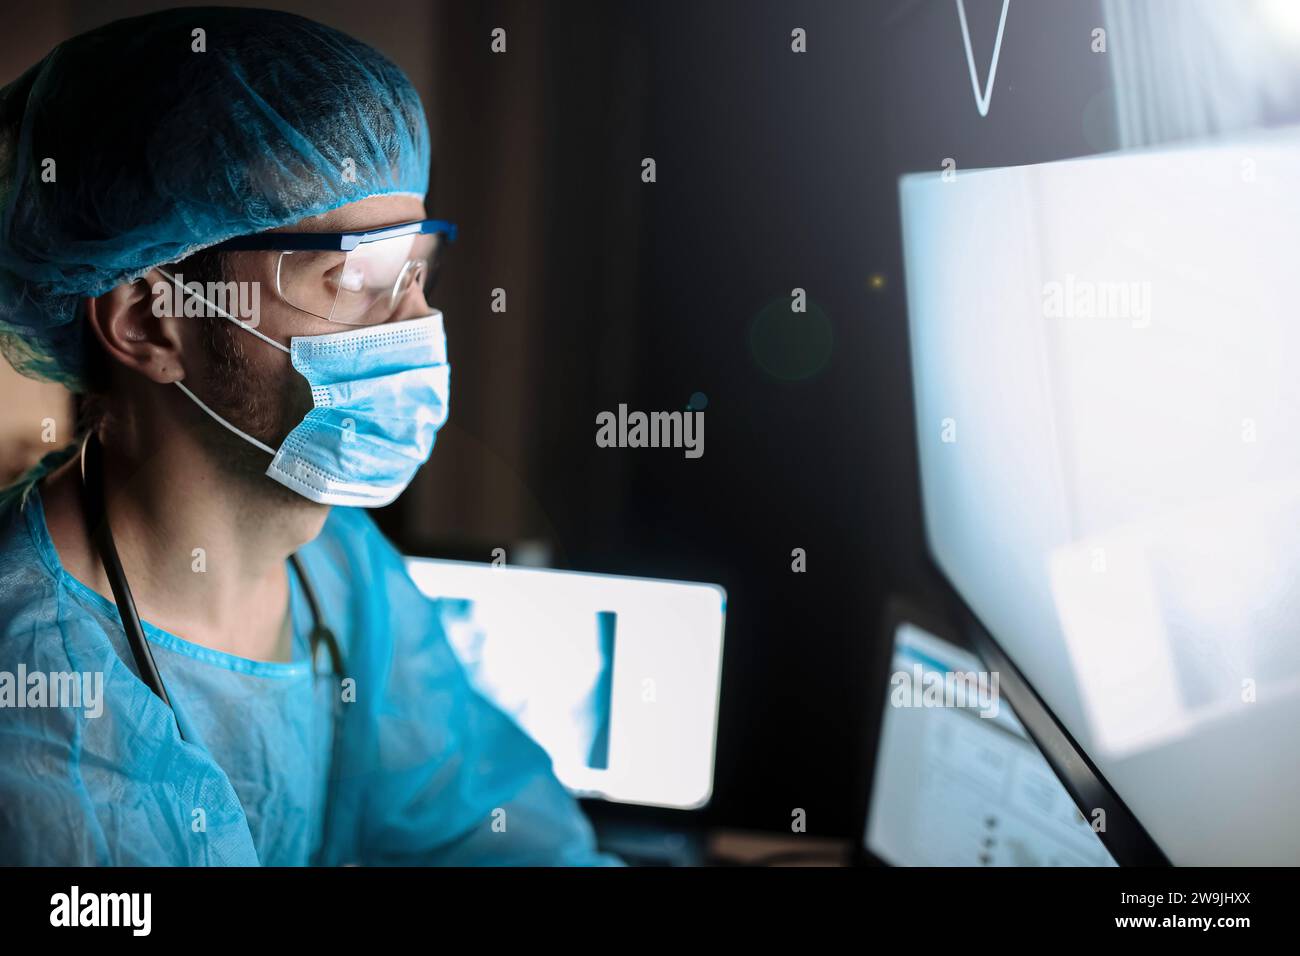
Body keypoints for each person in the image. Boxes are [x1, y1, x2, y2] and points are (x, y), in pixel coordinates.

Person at [0, 7, 618, 865]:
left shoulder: (337, 571)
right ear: (150, 320)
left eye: (417, 273)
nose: (418, 327)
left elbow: (488, 827)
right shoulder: (40, 726)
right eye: (356, 277)